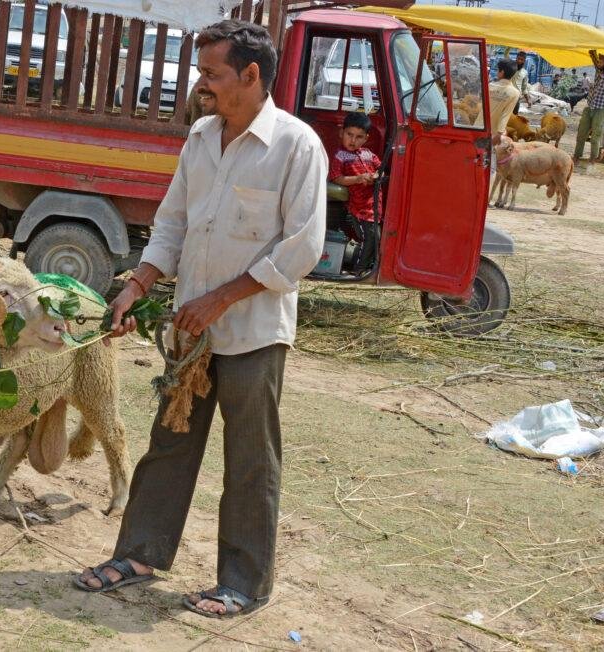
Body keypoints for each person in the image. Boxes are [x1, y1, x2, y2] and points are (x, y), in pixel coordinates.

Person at [73, 19, 327, 618]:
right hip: (191, 334)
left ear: (251, 74)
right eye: (202, 72)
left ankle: (243, 584)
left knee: (250, 459)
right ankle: (138, 555)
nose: (202, 83)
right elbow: (173, 225)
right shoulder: (200, 138)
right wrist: (138, 283)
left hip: (253, 333)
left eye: (213, 73)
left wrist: (223, 297)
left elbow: (302, 247)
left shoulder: (296, 145)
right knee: (170, 443)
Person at [329, 112, 381, 272]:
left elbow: (380, 168)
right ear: (341, 133)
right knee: (369, 237)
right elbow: (337, 178)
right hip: (358, 207)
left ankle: (367, 267)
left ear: (366, 138)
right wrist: (359, 178)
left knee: (376, 238)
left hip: (374, 205)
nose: (353, 140)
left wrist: (376, 175)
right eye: (349, 134)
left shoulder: (368, 154)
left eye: (359, 137)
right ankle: (358, 270)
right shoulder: (340, 156)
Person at [574, 50, 604, 164]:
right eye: (600, 60)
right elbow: (594, 60)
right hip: (589, 107)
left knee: (596, 134)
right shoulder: (598, 71)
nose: (600, 62)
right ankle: (577, 155)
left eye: (602, 61)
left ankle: (593, 158)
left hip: (601, 109)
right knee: (582, 132)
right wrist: (593, 52)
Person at [489, 59, 520, 142]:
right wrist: (499, 133)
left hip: (480, 127)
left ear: (502, 72)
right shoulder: (515, 93)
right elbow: (506, 114)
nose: (496, 72)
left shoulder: (490, 86)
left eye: (497, 70)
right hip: (495, 132)